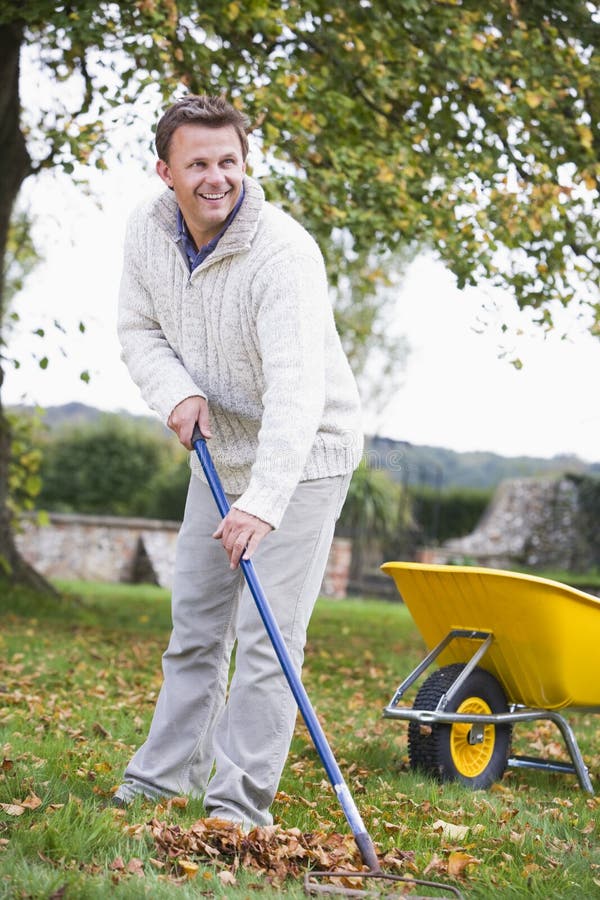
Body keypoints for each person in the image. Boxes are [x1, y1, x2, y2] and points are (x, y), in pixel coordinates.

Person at [113, 94, 363, 827]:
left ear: (244, 164)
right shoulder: (145, 232)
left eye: (229, 162)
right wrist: (176, 392)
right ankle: (162, 781)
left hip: (303, 458)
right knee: (195, 630)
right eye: (198, 163)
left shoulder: (283, 254)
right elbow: (138, 328)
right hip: (217, 453)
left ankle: (236, 807)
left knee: (267, 640)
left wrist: (265, 503)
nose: (216, 177)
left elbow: (297, 394)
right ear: (166, 170)